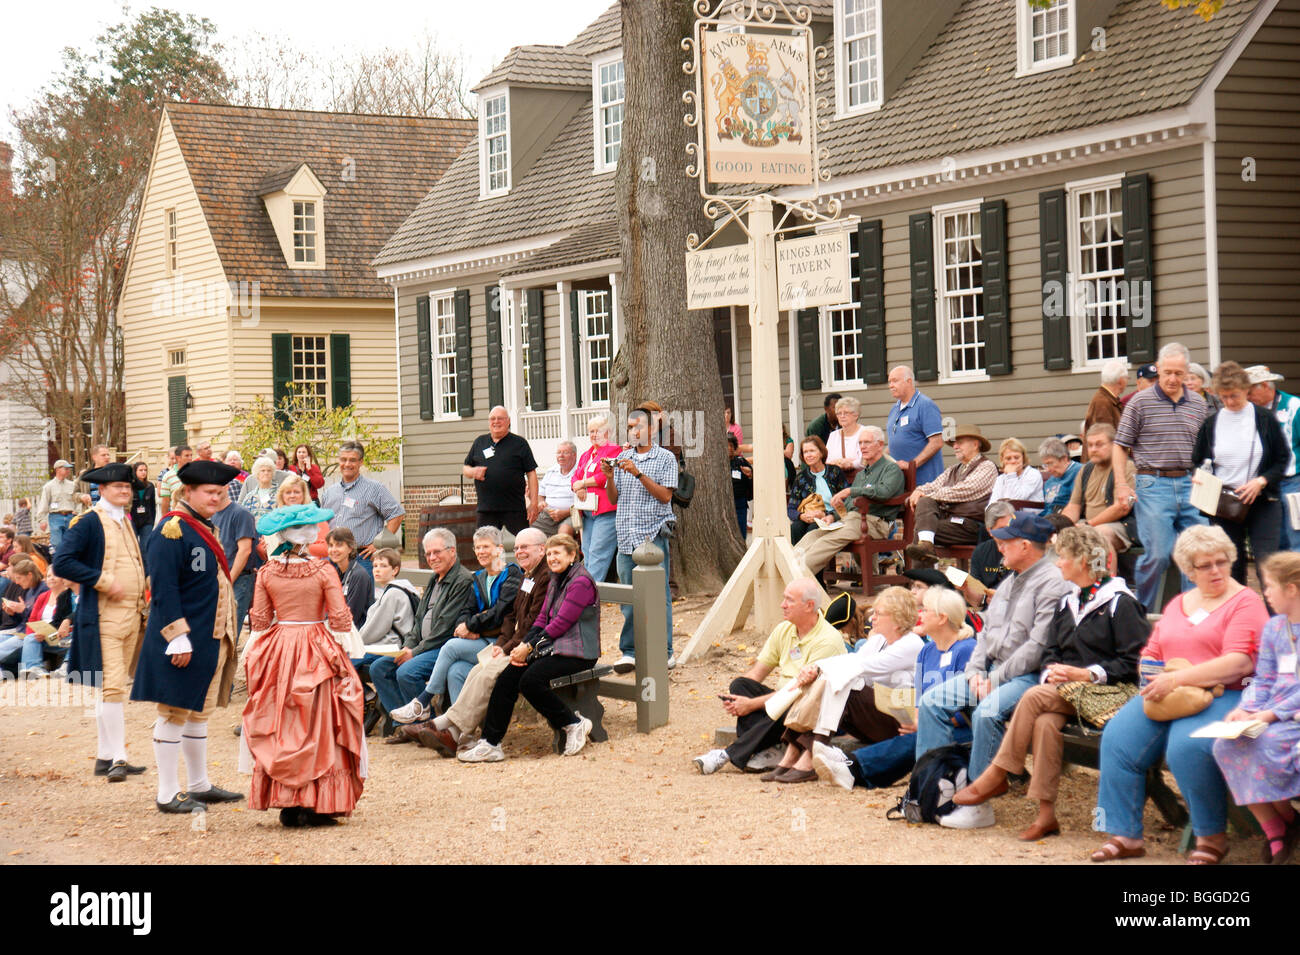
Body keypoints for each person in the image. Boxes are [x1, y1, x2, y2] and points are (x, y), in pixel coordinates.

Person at [953, 525, 1148, 840]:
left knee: (1032, 699)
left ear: (1083, 561)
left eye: (1064, 557)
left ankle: (997, 772)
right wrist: (1053, 673)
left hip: (1111, 692)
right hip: (1068, 691)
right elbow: (1051, 652)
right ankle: (1046, 816)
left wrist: (1085, 674)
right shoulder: (1069, 600)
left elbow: (1134, 663)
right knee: (1044, 723)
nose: (1057, 563)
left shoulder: (1119, 602)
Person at [1092, 524, 1267, 864]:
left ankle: (1211, 837)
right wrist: (1150, 673)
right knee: (1118, 737)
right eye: (1205, 565)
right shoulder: (1179, 602)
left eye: (1221, 561)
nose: (1215, 570)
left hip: (1225, 693)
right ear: (1189, 569)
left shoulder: (1246, 603)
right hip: (1170, 690)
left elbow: (1238, 662)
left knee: (1187, 746)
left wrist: (1177, 679)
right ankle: (1125, 835)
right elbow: (1154, 648)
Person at [915, 513, 1072, 828]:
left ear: (1025, 545)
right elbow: (985, 632)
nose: (999, 547)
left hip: (1030, 676)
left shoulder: (1053, 583)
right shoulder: (1009, 581)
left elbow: (1037, 646)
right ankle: (931, 789)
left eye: (1007, 542)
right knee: (932, 702)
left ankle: (979, 801)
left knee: (986, 712)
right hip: (989, 669)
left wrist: (995, 679)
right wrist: (975, 671)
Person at [130, 460, 245, 814]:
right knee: (174, 711)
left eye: (221, 493)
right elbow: (162, 588)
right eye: (210, 493)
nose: (217, 498)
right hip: (185, 639)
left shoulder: (200, 527)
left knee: (199, 712)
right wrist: (176, 636)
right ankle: (167, 793)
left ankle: (198, 784)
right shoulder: (172, 530)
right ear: (188, 492)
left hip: (209, 637)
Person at [241, 503, 365, 827]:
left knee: (284, 720)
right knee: (319, 721)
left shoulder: (267, 572)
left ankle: (287, 802)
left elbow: (261, 619)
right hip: (316, 646)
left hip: (280, 647)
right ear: (308, 537)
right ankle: (317, 802)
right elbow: (339, 618)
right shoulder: (323, 570)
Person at [814, 585, 978, 790]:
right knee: (915, 736)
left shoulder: (967, 650)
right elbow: (920, 697)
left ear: (942, 618)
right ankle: (851, 766)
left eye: (925, 611)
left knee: (918, 738)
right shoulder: (927, 651)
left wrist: (927, 722)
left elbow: (975, 706)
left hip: (962, 729)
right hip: (927, 722)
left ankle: (852, 765)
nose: (920, 615)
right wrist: (919, 719)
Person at [406, 528, 550, 755]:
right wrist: (488, 638)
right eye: (518, 547)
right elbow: (505, 616)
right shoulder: (512, 576)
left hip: (522, 647)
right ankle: (461, 736)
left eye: (525, 547)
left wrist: (491, 638)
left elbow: (512, 615)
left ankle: (431, 709)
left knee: (455, 650)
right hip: (503, 643)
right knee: (458, 670)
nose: (520, 551)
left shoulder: (523, 575)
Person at [458, 534, 597, 762]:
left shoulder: (579, 582)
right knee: (508, 676)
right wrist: (523, 646)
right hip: (552, 648)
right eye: (550, 553)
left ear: (572, 555)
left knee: (530, 681)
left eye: (557, 553)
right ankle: (491, 743)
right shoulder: (555, 579)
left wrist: (529, 645)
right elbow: (541, 620)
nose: (552, 558)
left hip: (578, 651)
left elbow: (560, 623)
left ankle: (573, 724)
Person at [50, 463, 148, 781]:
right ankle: (119, 756)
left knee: (112, 688)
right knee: (112, 688)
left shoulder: (126, 520)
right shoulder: (89, 522)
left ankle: (105, 756)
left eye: (127, 486)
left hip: (131, 614)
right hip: (105, 616)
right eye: (118, 486)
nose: (124, 491)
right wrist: (102, 580)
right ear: (102, 490)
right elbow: (63, 561)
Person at [693, 578, 848, 775]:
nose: (783, 605)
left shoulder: (827, 640)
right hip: (786, 698)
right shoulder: (784, 629)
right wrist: (737, 700)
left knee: (786, 705)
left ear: (809, 606)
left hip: (813, 707)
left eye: (789, 600)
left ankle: (726, 754)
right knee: (741, 685)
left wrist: (751, 705)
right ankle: (768, 749)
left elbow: (801, 691)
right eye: (784, 599)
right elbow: (757, 673)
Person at [770, 587, 924, 783]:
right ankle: (796, 752)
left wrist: (817, 667)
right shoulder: (879, 640)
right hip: (877, 714)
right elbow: (855, 661)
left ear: (897, 618)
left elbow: (862, 666)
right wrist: (817, 670)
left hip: (900, 723)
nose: (872, 619)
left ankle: (810, 753)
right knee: (835, 679)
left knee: (843, 681)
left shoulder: (911, 644)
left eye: (878, 614)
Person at [1212, 551, 1300, 863]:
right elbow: (1264, 678)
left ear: (1291, 589)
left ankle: (1287, 821)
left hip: (1291, 717)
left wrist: (1269, 714)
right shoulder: (1275, 628)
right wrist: (1247, 709)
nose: (1266, 592)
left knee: (1268, 744)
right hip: (1271, 713)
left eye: (1270, 586)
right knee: (1227, 745)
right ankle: (1277, 824)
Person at [1113, 341, 1210, 612]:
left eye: (1178, 373)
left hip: (1191, 484)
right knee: (1158, 555)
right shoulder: (1140, 402)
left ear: (1187, 373)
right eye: (1167, 372)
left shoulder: (1198, 404)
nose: (1172, 378)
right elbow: (1120, 445)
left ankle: (1191, 615)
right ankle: (1140, 615)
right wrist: (1122, 484)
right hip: (1153, 484)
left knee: (1197, 554)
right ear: (1159, 368)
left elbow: (1206, 449)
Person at [390, 525, 521, 722]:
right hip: (481, 641)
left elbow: (499, 613)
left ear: (499, 549)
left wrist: (472, 626)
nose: (481, 552)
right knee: (455, 671)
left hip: (501, 643)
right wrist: (468, 626)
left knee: (451, 647)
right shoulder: (478, 578)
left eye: (486, 547)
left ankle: (423, 701)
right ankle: (459, 732)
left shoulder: (511, 574)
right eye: (478, 548)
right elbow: (464, 612)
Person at [368, 528, 473, 740]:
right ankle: (407, 725)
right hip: (421, 647)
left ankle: (430, 725)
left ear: (452, 551)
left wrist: (414, 652)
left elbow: (445, 628)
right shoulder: (435, 579)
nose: (432, 558)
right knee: (379, 667)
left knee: (407, 671)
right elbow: (418, 621)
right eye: (428, 554)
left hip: (443, 648)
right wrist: (408, 646)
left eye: (437, 552)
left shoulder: (461, 581)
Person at [1192, 360, 1288, 587]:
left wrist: (1261, 481)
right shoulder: (1211, 424)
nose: (1229, 402)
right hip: (1224, 501)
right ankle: (1238, 617)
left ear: (1246, 389)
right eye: (1223, 397)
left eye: (1234, 395)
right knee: (1231, 566)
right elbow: (1198, 461)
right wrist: (1199, 476)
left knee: (1267, 566)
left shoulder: (1264, 419)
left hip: (1262, 499)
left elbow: (1282, 458)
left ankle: (1274, 620)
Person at [607, 407, 678, 672]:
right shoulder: (622, 457)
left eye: (638, 426)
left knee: (659, 597)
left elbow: (665, 496)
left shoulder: (665, 458)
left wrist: (637, 473)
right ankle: (630, 652)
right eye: (629, 427)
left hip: (651, 536)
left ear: (651, 429)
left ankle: (665, 651)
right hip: (625, 536)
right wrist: (608, 477)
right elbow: (614, 499)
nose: (633, 431)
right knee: (629, 598)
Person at [794, 427, 903, 577]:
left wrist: (851, 491)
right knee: (815, 534)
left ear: (880, 444)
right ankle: (788, 564)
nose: (862, 446)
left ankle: (797, 574)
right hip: (853, 519)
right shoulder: (862, 474)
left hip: (876, 522)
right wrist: (832, 517)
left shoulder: (891, 469)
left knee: (828, 540)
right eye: (860, 443)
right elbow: (850, 504)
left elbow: (884, 492)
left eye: (867, 442)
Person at [904, 424, 998, 566]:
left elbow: (964, 490)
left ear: (975, 444)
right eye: (954, 443)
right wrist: (918, 491)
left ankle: (922, 583)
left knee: (922, 529)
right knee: (924, 528)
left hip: (971, 525)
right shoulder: (953, 469)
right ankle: (926, 560)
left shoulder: (987, 466)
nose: (955, 446)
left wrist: (927, 495)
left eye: (960, 442)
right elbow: (932, 485)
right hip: (951, 523)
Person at [321, 440, 405, 572]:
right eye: (343, 459)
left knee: (360, 593)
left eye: (352, 460)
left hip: (361, 558)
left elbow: (397, 515)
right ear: (339, 461)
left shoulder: (374, 489)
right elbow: (323, 524)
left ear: (361, 462)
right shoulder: (329, 492)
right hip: (331, 559)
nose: (347, 464)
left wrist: (378, 545)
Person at [1062, 423, 1138, 557]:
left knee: (1096, 536)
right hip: (1087, 524)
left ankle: (1105, 578)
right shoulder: (1085, 470)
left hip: (1120, 525)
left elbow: (1121, 508)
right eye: (1090, 445)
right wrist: (1061, 525)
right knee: (1055, 537)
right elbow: (1074, 506)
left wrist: (1088, 524)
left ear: (1114, 445)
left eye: (1099, 444)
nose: (1093, 449)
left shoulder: (1126, 466)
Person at [1247, 364, 1300, 553]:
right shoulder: (1249, 412)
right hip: (1265, 485)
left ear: (1266, 387)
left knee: (1297, 538)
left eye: (1250, 391)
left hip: (1294, 482)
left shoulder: (1294, 407)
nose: (1247, 396)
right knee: (1276, 543)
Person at [463, 406, 539, 534]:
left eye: (500, 418)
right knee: (485, 546)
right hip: (486, 509)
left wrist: (534, 503)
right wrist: (472, 472)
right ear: (488, 422)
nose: (496, 421)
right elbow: (466, 468)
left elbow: (531, 473)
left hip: (514, 508)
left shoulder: (519, 443)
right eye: (492, 418)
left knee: (522, 544)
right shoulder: (479, 442)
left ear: (508, 421)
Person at [573, 414, 622, 582]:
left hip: (605, 511)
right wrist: (577, 487)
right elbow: (575, 477)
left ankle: (588, 593)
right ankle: (586, 590)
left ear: (607, 433)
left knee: (598, 553)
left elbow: (604, 477)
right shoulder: (587, 455)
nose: (594, 435)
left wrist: (583, 484)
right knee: (586, 551)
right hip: (587, 512)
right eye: (591, 431)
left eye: (598, 431)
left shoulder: (614, 450)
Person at [352, 547, 420, 665]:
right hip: (386, 644)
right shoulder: (393, 590)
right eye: (375, 566)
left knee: (347, 662)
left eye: (383, 566)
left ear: (395, 570)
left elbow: (376, 628)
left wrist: (356, 642)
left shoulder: (393, 593)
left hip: (391, 647)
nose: (377, 570)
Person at [211, 485, 259, 647]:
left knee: (229, 635)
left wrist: (228, 580)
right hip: (215, 580)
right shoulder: (210, 515)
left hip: (237, 580)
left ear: (227, 486)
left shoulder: (240, 514)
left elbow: (244, 551)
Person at [886, 365, 946, 486]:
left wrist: (912, 465)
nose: (891, 385)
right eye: (889, 382)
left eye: (895, 381)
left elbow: (937, 442)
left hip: (924, 481)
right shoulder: (895, 408)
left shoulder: (925, 405)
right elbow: (895, 443)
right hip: (900, 481)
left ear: (909, 382)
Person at [787, 436, 849, 547]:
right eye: (805, 452)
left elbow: (847, 502)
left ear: (821, 452)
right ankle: (796, 562)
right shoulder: (801, 478)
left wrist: (825, 514)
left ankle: (812, 563)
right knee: (795, 528)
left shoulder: (835, 472)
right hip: (809, 517)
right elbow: (791, 509)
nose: (808, 455)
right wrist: (801, 516)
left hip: (834, 518)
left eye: (812, 451)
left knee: (813, 528)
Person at [0, 559, 50, 674]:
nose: (17, 582)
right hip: (21, 631)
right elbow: (23, 619)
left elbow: (39, 617)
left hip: (30, 633)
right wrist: (13, 613)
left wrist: (23, 609)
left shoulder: (43, 590)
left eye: (19, 578)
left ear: (29, 575)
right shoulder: (29, 591)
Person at [262, 474, 329, 560]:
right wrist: (264, 549)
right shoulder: (275, 520)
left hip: (309, 570)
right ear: (282, 496)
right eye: (288, 492)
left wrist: (300, 547)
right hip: (280, 569)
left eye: (296, 492)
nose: (292, 496)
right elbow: (266, 555)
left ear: (304, 495)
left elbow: (325, 549)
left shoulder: (315, 518)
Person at [326, 527, 374, 629]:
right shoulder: (336, 573)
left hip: (356, 633)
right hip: (339, 627)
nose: (334, 550)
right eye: (331, 545)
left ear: (350, 548)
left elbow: (352, 615)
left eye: (339, 545)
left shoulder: (359, 575)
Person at [968, 501, 1015, 594]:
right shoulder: (981, 551)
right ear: (990, 531)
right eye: (1002, 529)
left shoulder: (1022, 548)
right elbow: (976, 591)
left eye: (1011, 527)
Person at [532, 440, 577, 538]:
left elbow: (583, 504)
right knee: (531, 533)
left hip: (571, 515)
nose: (561, 456)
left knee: (564, 531)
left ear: (574, 455)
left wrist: (565, 513)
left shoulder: (580, 472)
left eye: (565, 453)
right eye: (559, 452)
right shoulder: (551, 471)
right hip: (548, 514)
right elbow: (541, 494)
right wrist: (541, 503)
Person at [34, 460, 79, 552]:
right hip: (55, 516)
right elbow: (44, 503)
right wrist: (42, 520)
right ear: (57, 470)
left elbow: (77, 500)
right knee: (56, 543)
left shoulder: (72, 485)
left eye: (68, 469)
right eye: (65, 469)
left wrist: (77, 512)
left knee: (71, 542)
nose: (68, 471)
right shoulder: (49, 486)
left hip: (71, 516)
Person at [989, 437, 1044, 506]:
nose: (1013, 461)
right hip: (1004, 515)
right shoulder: (1000, 479)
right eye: (1008, 458)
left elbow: (1016, 500)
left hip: (1027, 515)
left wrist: (1011, 474)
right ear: (1002, 460)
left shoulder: (1033, 474)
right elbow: (991, 504)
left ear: (1023, 458)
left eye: (1016, 457)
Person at [1084, 359, 1129, 434]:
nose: (1127, 382)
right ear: (1121, 381)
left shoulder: (1108, 400)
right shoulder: (1102, 403)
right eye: (1127, 378)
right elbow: (1105, 437)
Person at [1038, 437, 1080, 515]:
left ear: (1064, 459)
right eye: (1045, 465)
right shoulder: (1050, 481)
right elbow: (1046, 508)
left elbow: (1076, 505)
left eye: (1050, 463)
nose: (1048, 469)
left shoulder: (1079, 472)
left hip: (1065, 519)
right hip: (1049, 519)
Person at [824, 396, 865, 471]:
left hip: (860, 479)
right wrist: (840, 463)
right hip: (838, 479)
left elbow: (865, 460)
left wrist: (851, 464)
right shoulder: (833, 435)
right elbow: (827, 460)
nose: (842, 416)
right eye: (839, 413)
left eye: (846, 413)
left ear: (856, 415)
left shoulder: (865, 433)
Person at [238, 457, 281, 525]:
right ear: (257, 474)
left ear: (272, 473)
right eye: (263, 471)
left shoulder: (280, 494)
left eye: (269, 470)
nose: (266, 473)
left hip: (272, 533)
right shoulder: (250, 496)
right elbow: (242, 517)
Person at [728, 434, 753, 539]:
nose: (728, 448)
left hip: (739, 503)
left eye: (731, 445)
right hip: (724, 504)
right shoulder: (717, 464)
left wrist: (750, 475)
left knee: (741, 532)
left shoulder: (741, 462)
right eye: (726, 445)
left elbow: (751, 484)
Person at [77, 445, 114, 510]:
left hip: (110, 514)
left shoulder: (115, 474)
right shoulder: (85, 475)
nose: (107, 457)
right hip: (91, 513)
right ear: (94, 457)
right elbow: (73, 493)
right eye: (103, 455)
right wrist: (81, 496)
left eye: (108, 455)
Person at [158, 445, 193, 514]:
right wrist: (164, 520)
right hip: (177, 516)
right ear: (178, 458)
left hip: (196, 518)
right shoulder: (167, 476)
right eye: (187, 456)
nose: (190, 458)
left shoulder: (197, 473)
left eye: (191, 455)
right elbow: (165, 502)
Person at [130, 462, 156, 552]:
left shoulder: (150, 486)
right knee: (133, 547)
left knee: (145, 547)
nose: (143, 472)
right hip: (132, 519)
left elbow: (153, 505)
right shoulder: (129, 486)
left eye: (145, 470)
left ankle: (146, 566)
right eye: (141, 470)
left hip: (146, 520)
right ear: (135, 472)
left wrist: (152, 521)